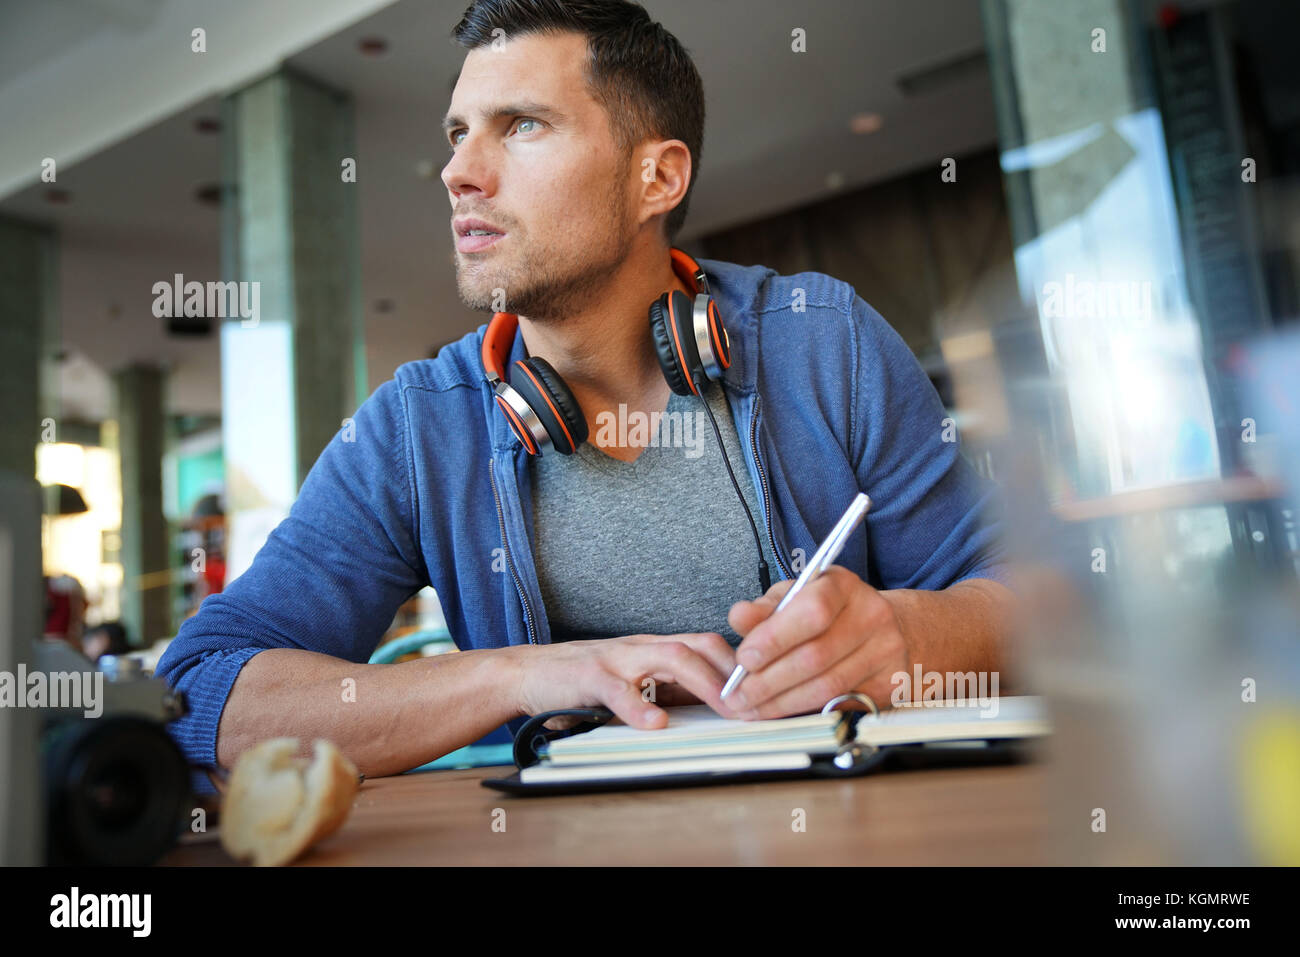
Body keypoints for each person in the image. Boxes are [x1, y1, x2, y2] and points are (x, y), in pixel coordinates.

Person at [156, 0, 1016, 781]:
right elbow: (200, 691)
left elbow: (1037, 597)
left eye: (520, 125)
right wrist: (517, 674)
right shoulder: (417, 428)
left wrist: (905, 636)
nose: (459, 171)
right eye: (457, 134)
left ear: (658, 179)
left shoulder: (824, 342)